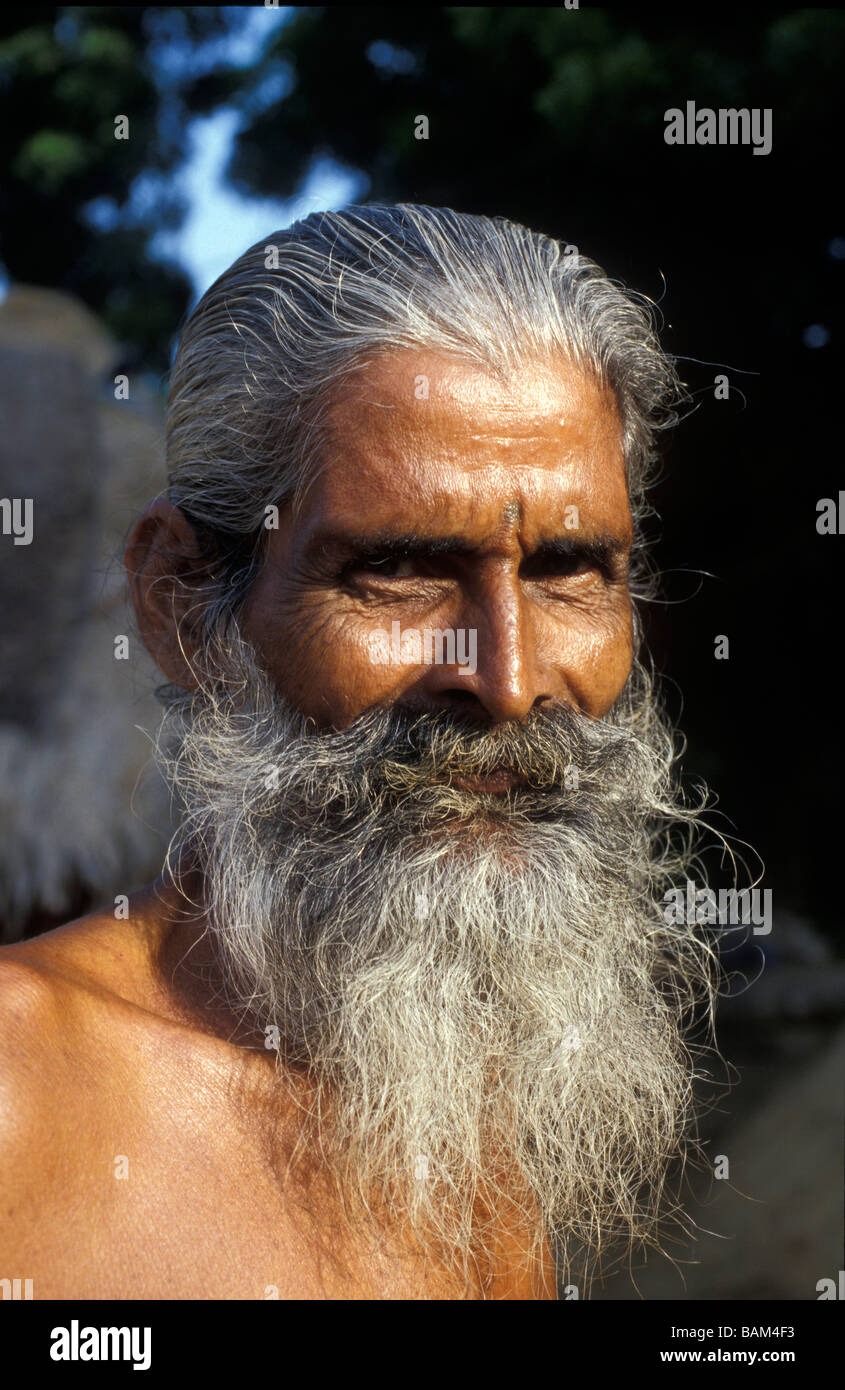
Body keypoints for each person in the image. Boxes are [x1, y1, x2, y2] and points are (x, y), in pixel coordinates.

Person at [0, 204, 719, 1300]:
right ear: (186, 601)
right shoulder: (23, 1101)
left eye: (568, 567)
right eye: (398, 570)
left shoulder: (458, 1113)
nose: (508, 678)